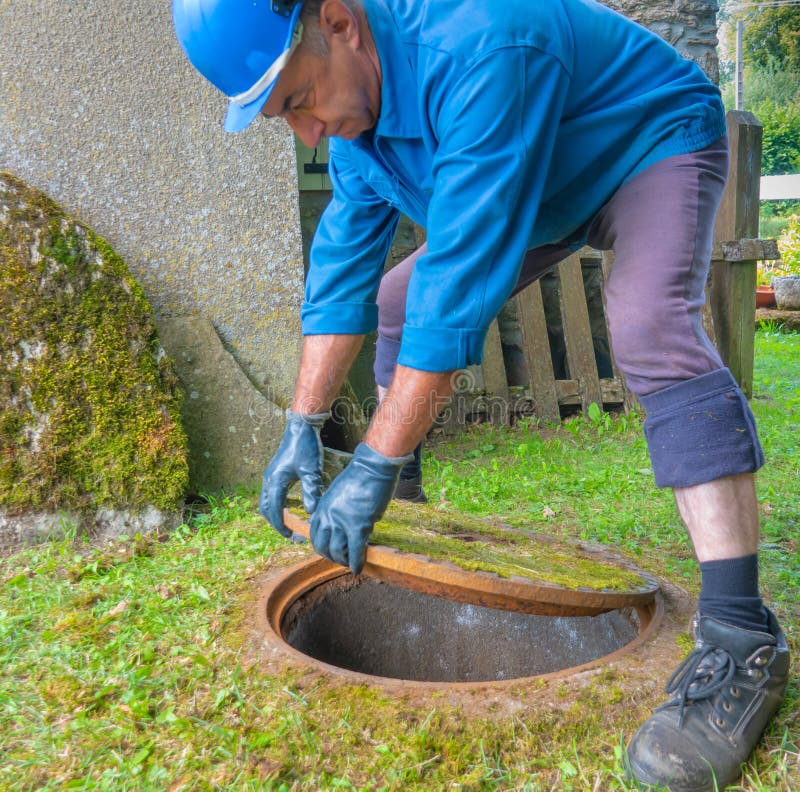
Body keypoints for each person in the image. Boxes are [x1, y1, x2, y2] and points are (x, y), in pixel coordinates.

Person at [172, 1, 789, 789]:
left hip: (646, 142)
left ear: (338, 22)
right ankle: (408, 529)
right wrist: (303, 422)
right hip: (546, 178)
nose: (308, 132)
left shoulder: (483, 42)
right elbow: (342, 273)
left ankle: (743, 641)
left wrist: (372, 462)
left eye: (297, 100)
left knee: (645, 323)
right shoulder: (361, 114)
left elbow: (456, 294)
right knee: (395, 300)